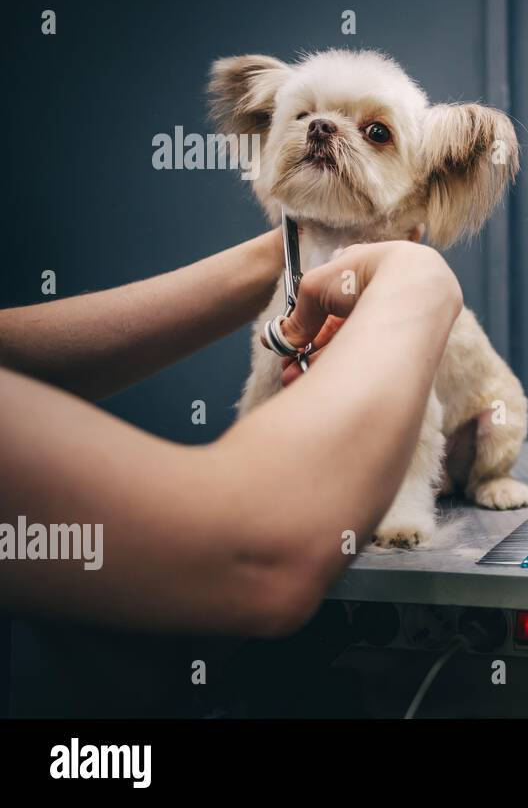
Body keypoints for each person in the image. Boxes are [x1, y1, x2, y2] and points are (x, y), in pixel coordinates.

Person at [0, 231, 462, 637]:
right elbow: (256, 557)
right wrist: (416, 284)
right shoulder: (416, 278)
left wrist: (293, 245)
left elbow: (17, 355)